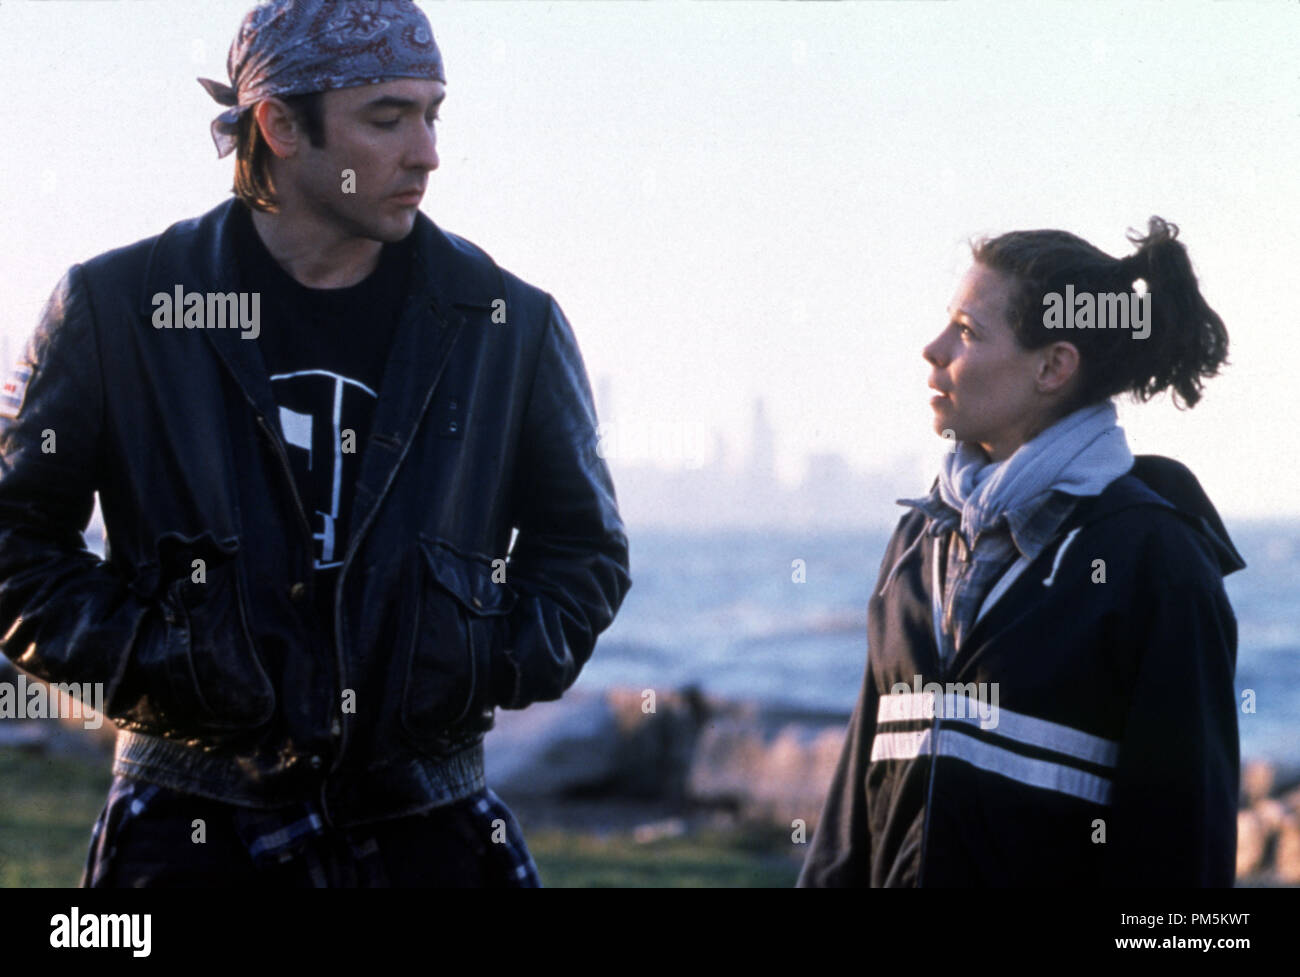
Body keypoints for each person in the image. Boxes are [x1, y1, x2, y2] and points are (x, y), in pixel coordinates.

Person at [0, 0, 630, 887]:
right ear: (281, 125)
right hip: (185, 828)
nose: (427, 152)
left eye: (432, 112)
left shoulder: (507, 325)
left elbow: (584, 551)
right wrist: (163, 664)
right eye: (387, 117)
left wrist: (468, 663)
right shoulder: (119, 309)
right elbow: (14, 541)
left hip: (430, 823)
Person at [797, 217, 1244, 887]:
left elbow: (1184, 859)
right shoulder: (917, 543)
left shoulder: (1157, 564)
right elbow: (847, 828)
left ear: (1054, 366)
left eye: (968, 332)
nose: (932, 348)